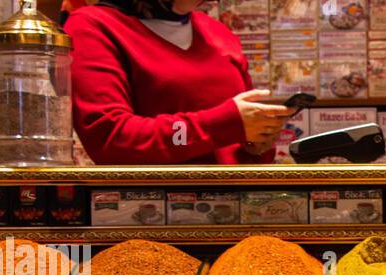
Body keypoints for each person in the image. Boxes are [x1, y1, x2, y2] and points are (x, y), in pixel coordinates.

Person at [64, 0, 292, 164]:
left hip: (237, 209)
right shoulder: (93, 26)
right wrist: (220, 125)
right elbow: (112, 138)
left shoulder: (217, 31)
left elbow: (235, 139)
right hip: (150, 213)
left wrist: (257, 143)